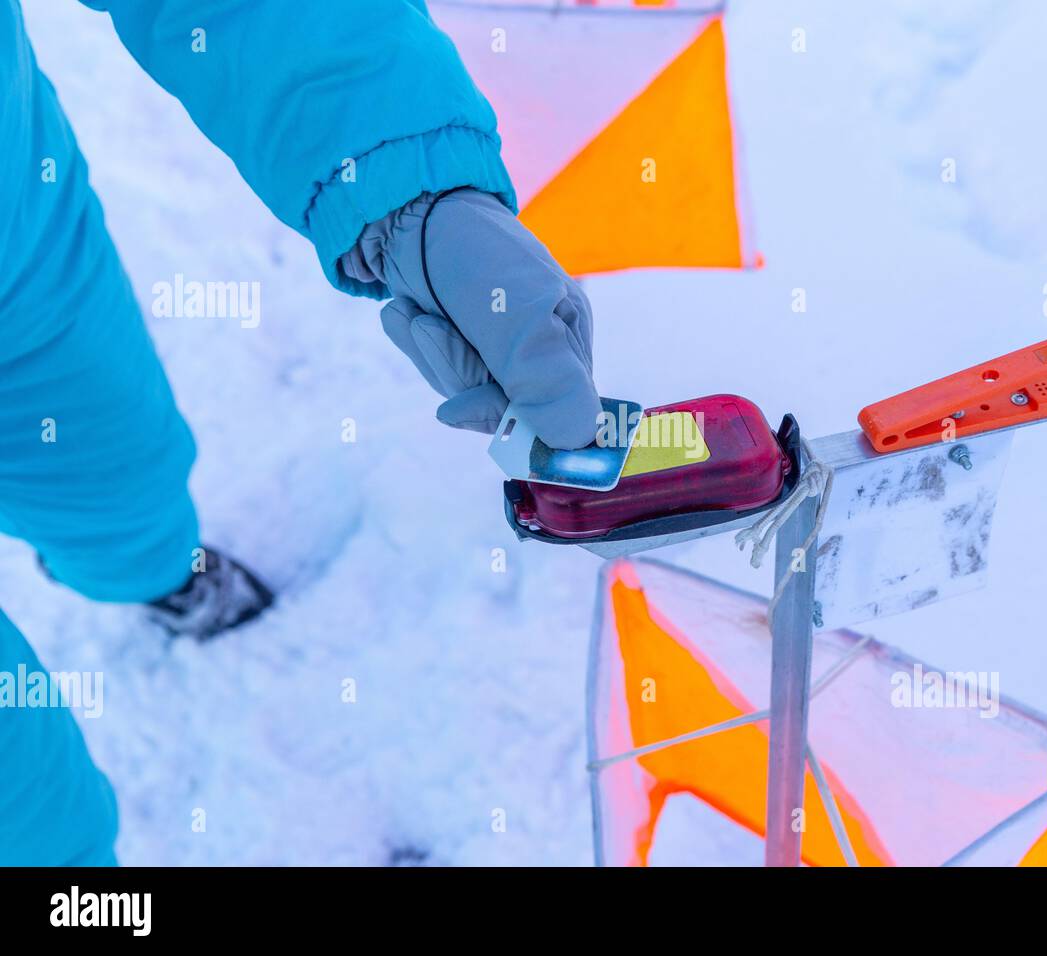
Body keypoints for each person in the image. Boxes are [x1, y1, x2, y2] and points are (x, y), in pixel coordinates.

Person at [0, 0, 599, 865]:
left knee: (120, 458)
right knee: (33, 813)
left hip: (18, 244)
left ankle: (155, 568)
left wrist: (409, 191)